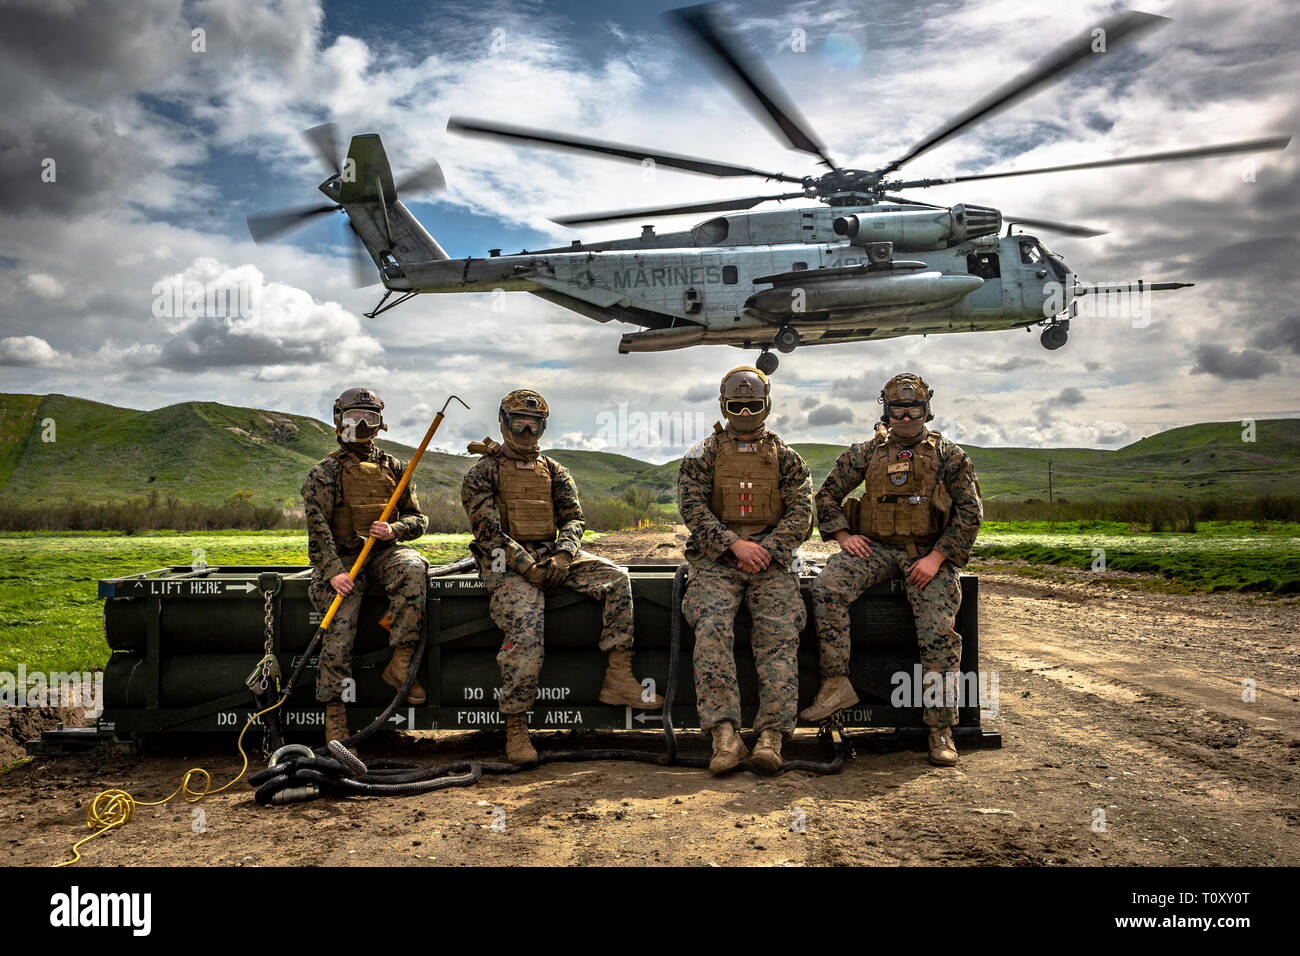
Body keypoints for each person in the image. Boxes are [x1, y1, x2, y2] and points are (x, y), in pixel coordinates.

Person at [460, 388, 663, 764]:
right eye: (518, 422)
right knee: (524, 625)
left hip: (552, 555)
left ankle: (618, 677)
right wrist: (528, 568)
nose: (525, 430)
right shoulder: (482, 473)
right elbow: (488, 533)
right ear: (503, 423)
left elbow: (573, 518)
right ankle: (517, 726)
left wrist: (565, 554)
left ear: (543, 427)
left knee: (616, 577)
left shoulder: (554, 471)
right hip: (506, 563)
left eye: (533, 423)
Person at [805, 373, 983, 766]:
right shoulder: (866, 452)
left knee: (938, 633)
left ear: (926, 410)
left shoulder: (949, 455)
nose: (905, 416)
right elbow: (828, 495)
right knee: (827, 588)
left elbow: (970, 512)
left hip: (926, 553)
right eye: (897, 409)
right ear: (886, 411)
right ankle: (836, 685)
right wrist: (842, 535)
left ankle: (940, 729)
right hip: (877, 549)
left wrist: (937, 558)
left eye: (913, 408)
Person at [677, 366, 813, 773]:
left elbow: (802, 513)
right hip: (718, 560)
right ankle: (724, 735)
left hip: (769, 562)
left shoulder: (787, 458)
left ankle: (771, 736)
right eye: (737, 406)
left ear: (766, 405)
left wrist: (765, 550)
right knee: (711, 625)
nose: (745, 412)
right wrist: (733, 544)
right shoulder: (702, 455)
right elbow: (693, 509)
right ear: (724, 405)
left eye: (753, 405)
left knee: (780, 630)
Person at [302, 387, 430, 747]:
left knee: (415, 568)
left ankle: (401, 662)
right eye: (353, 418)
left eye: (369, 418)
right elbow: (318, 529)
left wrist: (395, 529)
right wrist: (333, 572)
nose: (361, 425)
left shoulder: (395, 469)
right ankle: (335, 715)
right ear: (339, 421)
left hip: (383, 555)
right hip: (343, 561)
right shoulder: (324, 473)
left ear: (380, 424)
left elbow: (418, 519)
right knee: (339, 626)